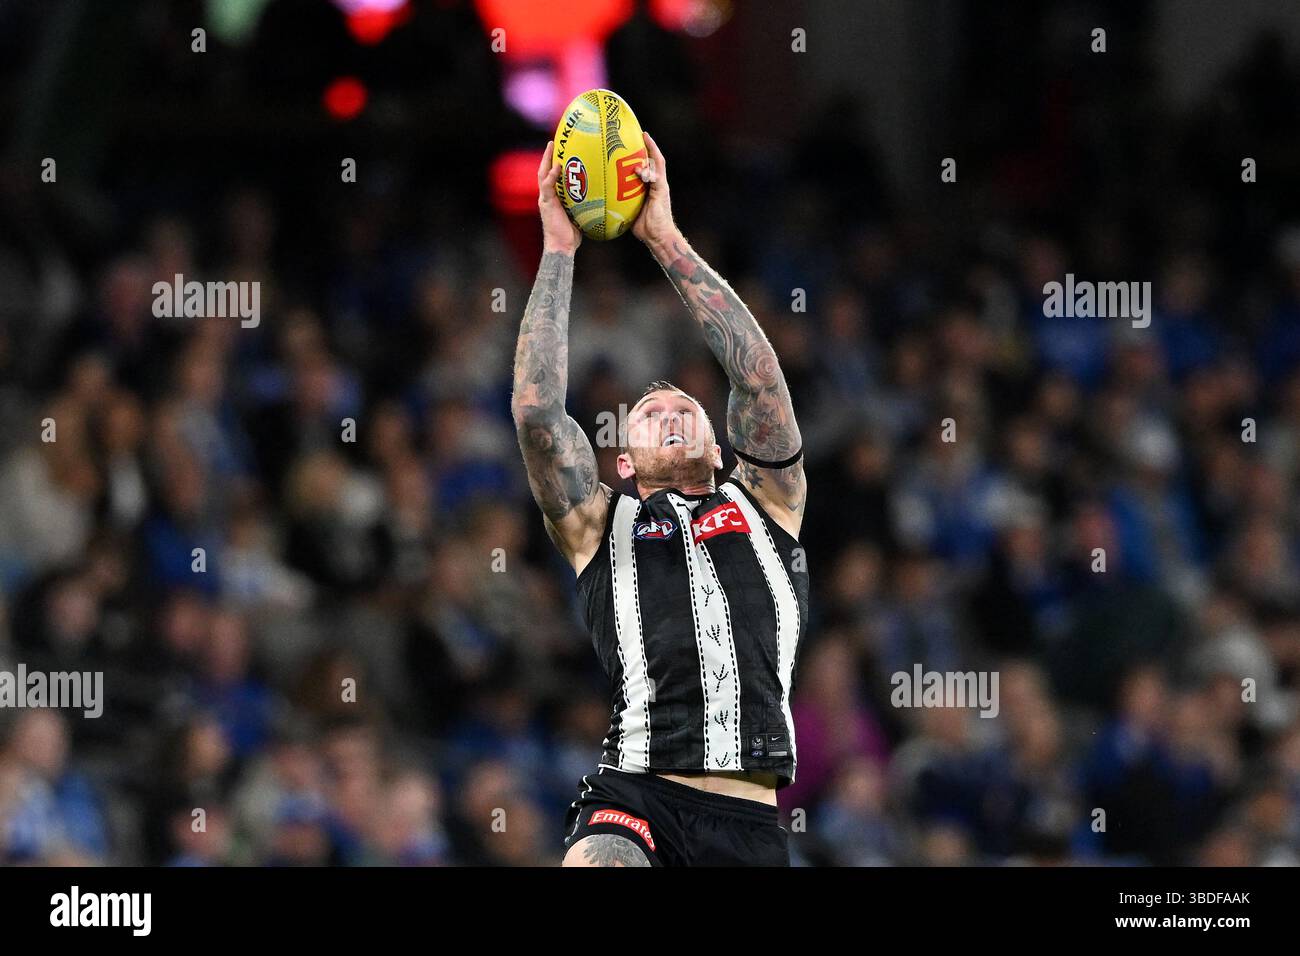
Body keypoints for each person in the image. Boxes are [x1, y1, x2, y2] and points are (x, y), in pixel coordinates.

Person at [511, 133, 808, 866]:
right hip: (636, 794)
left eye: (685, 407)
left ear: (720, 447)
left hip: (750, 824)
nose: (664, 404)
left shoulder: (768, 502)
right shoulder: (601, 522)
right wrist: (558, 249)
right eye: (647, 411)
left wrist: (666, 240)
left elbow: (760, 381)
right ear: (621, 461)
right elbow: (537, 416)